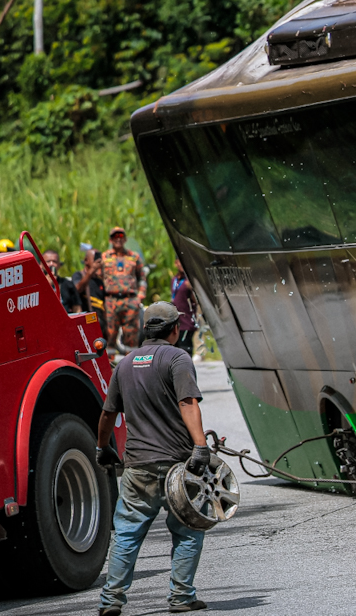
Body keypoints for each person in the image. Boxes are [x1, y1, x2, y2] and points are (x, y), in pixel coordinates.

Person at [95, 302, 210, 615]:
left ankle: (111, 601)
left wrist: (102, 447)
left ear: (147, 330)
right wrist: (200, 446)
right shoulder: (178, 357)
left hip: (138, 467)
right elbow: (187, 402)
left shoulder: (126, 364)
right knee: (188, 529)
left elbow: (107, 413)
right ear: (174, 330)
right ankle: (182, 597)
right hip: (177, 465)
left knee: (127, 535)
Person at [102, 227, 147, 353]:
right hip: (111, 300)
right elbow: (99, 277)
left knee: (131, 333)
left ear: (125, 239)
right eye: (115, 237)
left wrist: (140, 295)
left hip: (130, 300)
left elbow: (142, 278)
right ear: (110, 240)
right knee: (110, 333)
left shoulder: (133, 257)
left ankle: (131, 362)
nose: (118, 239)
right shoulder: (105, 257)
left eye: (121, 237)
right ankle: (110, 363)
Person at [73, 247, 107, 326]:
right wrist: (92, 270)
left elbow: (104, 303)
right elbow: (77, 289)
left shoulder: (99, 281)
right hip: (87, 321)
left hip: (100, 320)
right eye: (95, 258)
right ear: (86, 260)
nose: (98, 260)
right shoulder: (79, 275)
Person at [43, 249, 82, 313]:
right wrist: (46, 285)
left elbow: (77, 308)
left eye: (54, 261)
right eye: (48, 261)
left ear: (59, 265)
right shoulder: (36, 285)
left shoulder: (67, 284)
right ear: (41, 264)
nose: (51, 264)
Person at [171, 259, 197, 353]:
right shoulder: (174, 279)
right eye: (179, 262)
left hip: (187, 320)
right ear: (176, 263)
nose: (181, 264)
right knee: (175, 349)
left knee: (185, 348)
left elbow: (196, 301)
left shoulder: (190, 280)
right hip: (176, 320)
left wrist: (193, 289)